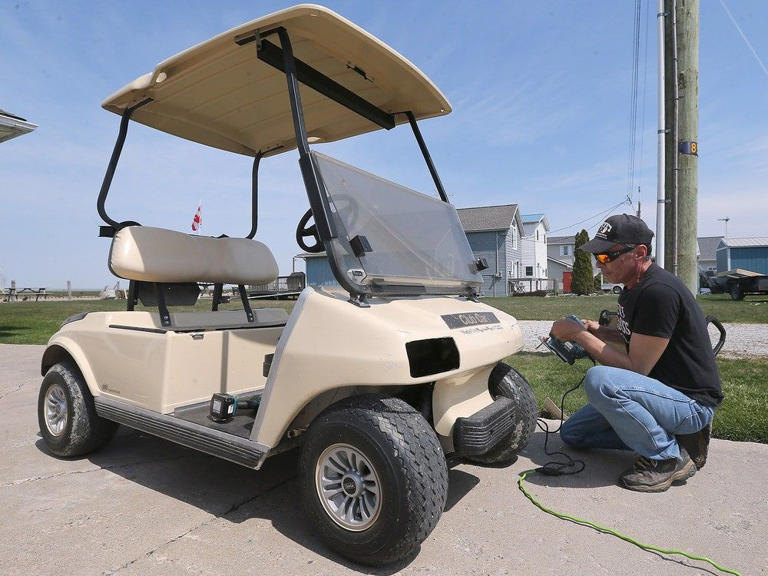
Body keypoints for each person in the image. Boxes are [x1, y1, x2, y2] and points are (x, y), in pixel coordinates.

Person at [550, 214, 724, 492]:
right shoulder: (633, 290)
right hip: (661, 393)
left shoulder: (658, 292)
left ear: (639, 252)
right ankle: (675, 437)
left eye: (606, 256)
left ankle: (667, 457)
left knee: (600, 381)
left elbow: (636, 369)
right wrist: (594, 330)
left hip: (690, 403)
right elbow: (633, 336)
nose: (598, 264)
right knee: (574, 433)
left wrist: (578, 336)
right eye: (597, 256)